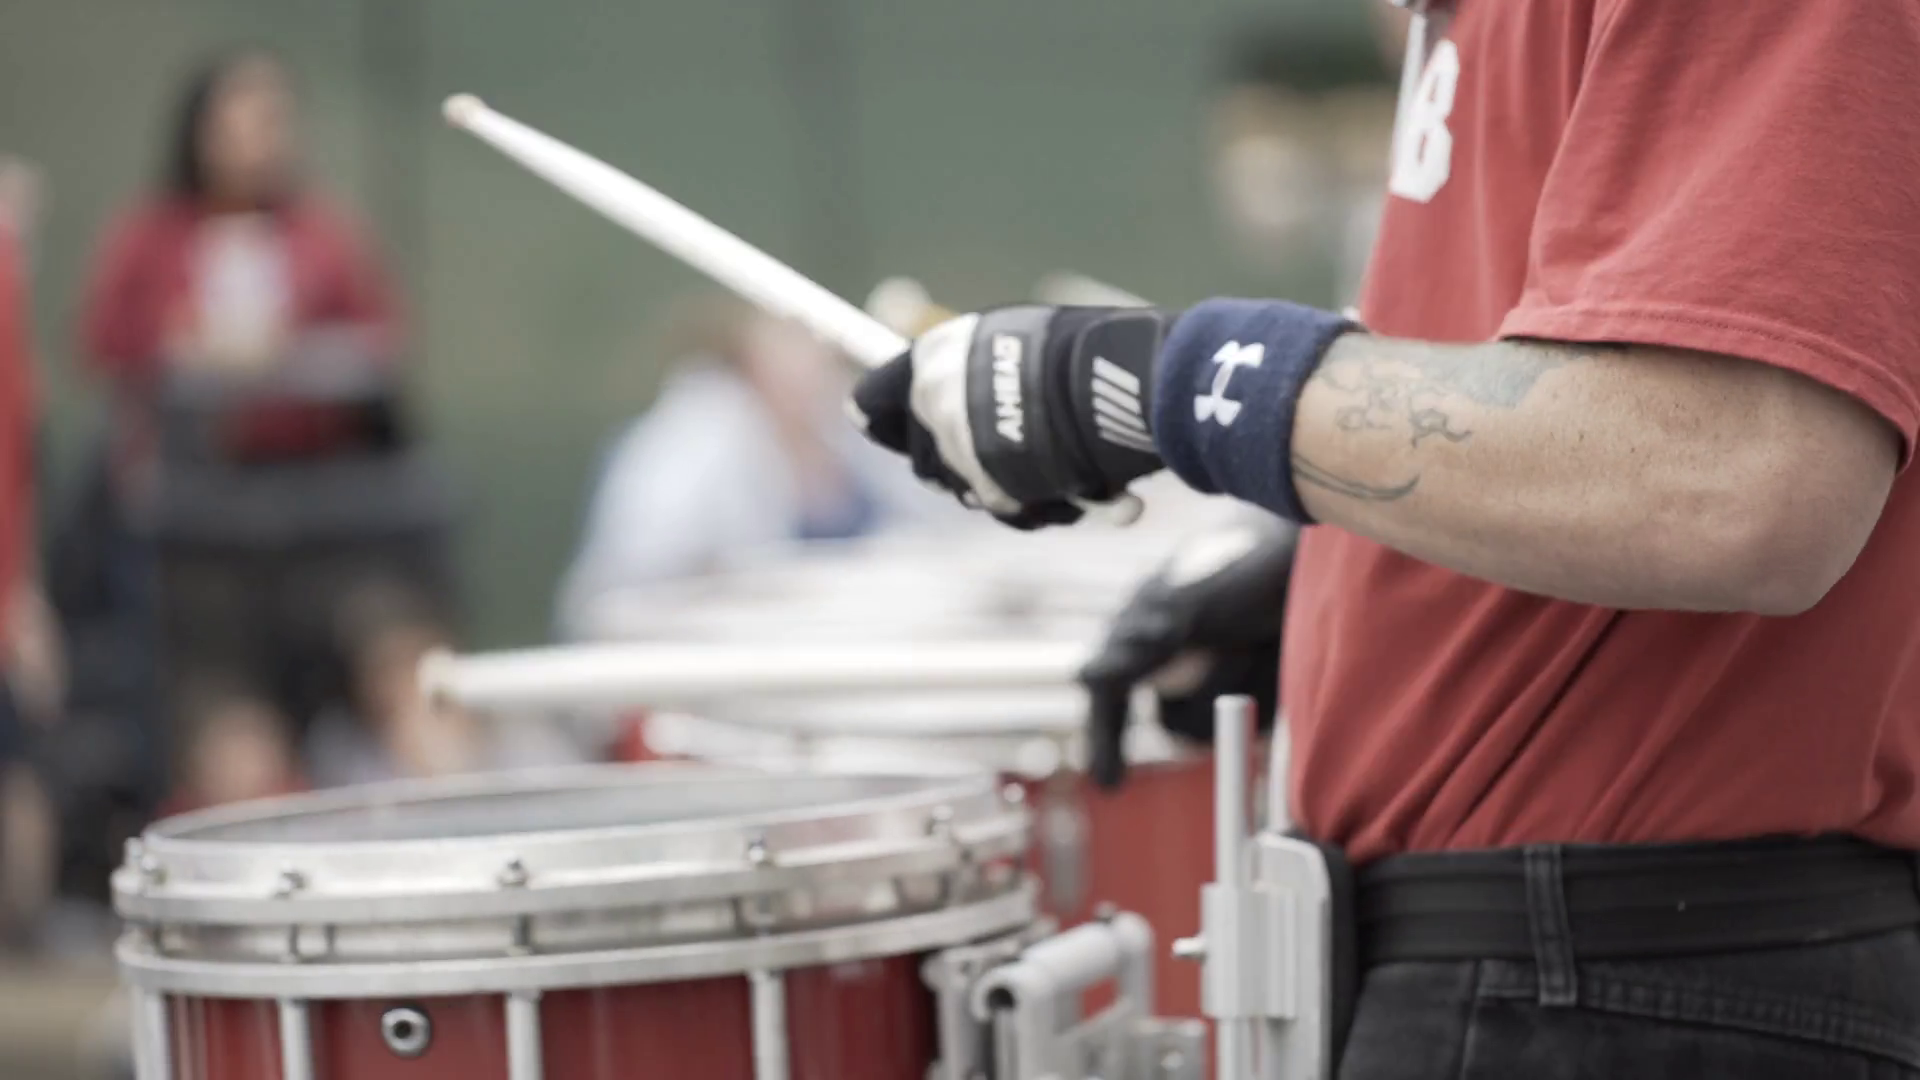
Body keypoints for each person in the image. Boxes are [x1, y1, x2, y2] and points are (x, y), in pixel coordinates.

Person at [850, 2, 1920, 1077]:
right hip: (1583, 970)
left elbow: (1735, 474)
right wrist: (1364, 588)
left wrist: (1173, 387)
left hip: (1630, 978)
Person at [77, 48, 442, 804]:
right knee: (235, 743)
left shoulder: (322, 234)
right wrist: (185, 345)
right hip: (204, 545)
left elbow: (379, 336)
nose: (260, 137)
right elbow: (104, 342)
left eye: (274, 118)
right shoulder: (152, 236)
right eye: (240, 118)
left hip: (327, 524)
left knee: (414, 676)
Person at [556, 294, 954, 639]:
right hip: (722, 668)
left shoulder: (851, 429)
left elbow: (938, 526)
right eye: (789, 339)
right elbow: (633, 575)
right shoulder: (686, 445)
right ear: (748, 354)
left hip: (861, 652)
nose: (808, 361)